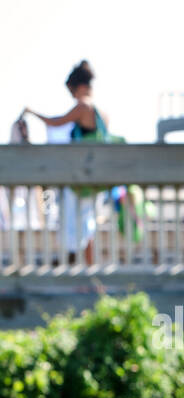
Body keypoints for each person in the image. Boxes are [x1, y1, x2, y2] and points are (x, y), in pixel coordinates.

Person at [24, 61, 105, 263]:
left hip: (82, 176)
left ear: (80, 87)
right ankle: (90, 274)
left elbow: (56, 122)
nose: (73, 97)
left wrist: (32, 112)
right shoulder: (101, 112)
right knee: (88, 226)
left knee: (73, 225)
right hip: (97, 176)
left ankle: (74, 269)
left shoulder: (83, 106)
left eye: (72, 92)